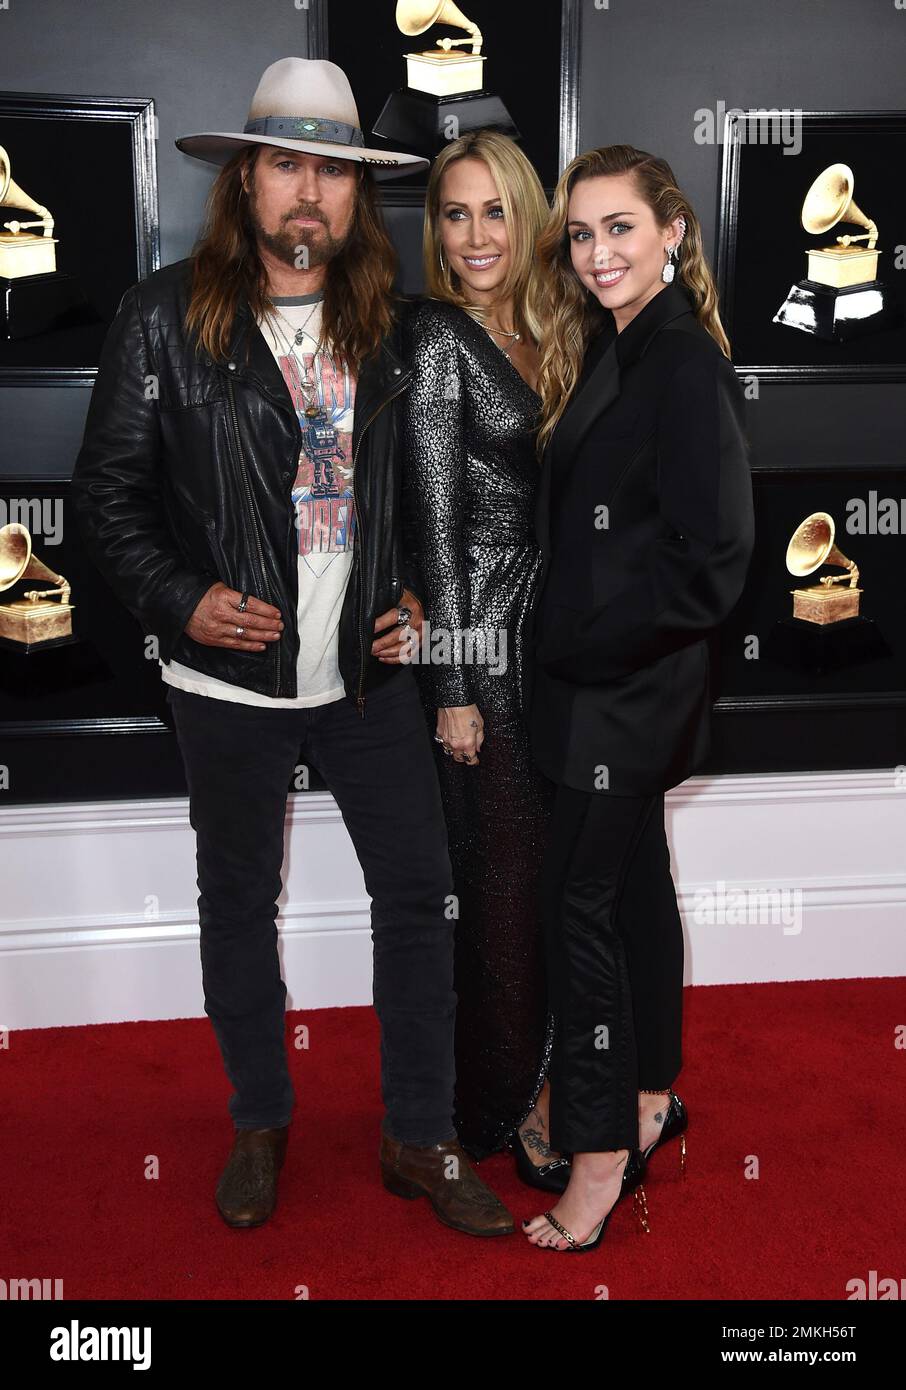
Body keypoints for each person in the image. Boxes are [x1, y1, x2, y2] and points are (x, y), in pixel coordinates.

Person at [70, 58, 513, 1239]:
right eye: (285, 166)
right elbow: (106, 499)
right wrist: (182, 600)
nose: (306, 192)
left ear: (356, 193)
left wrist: (420, 600)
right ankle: (260, 1120)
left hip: (369, 681)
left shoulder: (405, 329)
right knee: (235, 904)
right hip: (224, 681)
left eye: (330, 169)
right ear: (245, 184)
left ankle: (420, 1133)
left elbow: (438, 502)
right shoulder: (162, 317)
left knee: (420, 898)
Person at [521, 144, 756, 1251]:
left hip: (624, 693)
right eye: (581, 234)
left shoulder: (683, 363)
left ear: (672, 230)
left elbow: (712, 560)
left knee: (578, 908)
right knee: (630, 889)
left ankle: (602, 1150)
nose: (599, 252)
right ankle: (653, 1092)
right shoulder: (630, 343)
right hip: (601, 687)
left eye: (620, 228)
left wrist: (582, 642)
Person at [397, 131, 568, 1189]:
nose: (474, 236)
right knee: (498, 883)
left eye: (493, 211)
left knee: (557, 873)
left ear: (527, 216)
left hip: (559, 635)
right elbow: (434, 524)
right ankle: (493, 1108)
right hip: (484, 635)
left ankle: (562, 1080)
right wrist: (454, 688)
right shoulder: (433, 339)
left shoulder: (553, 326)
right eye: (453, 215)